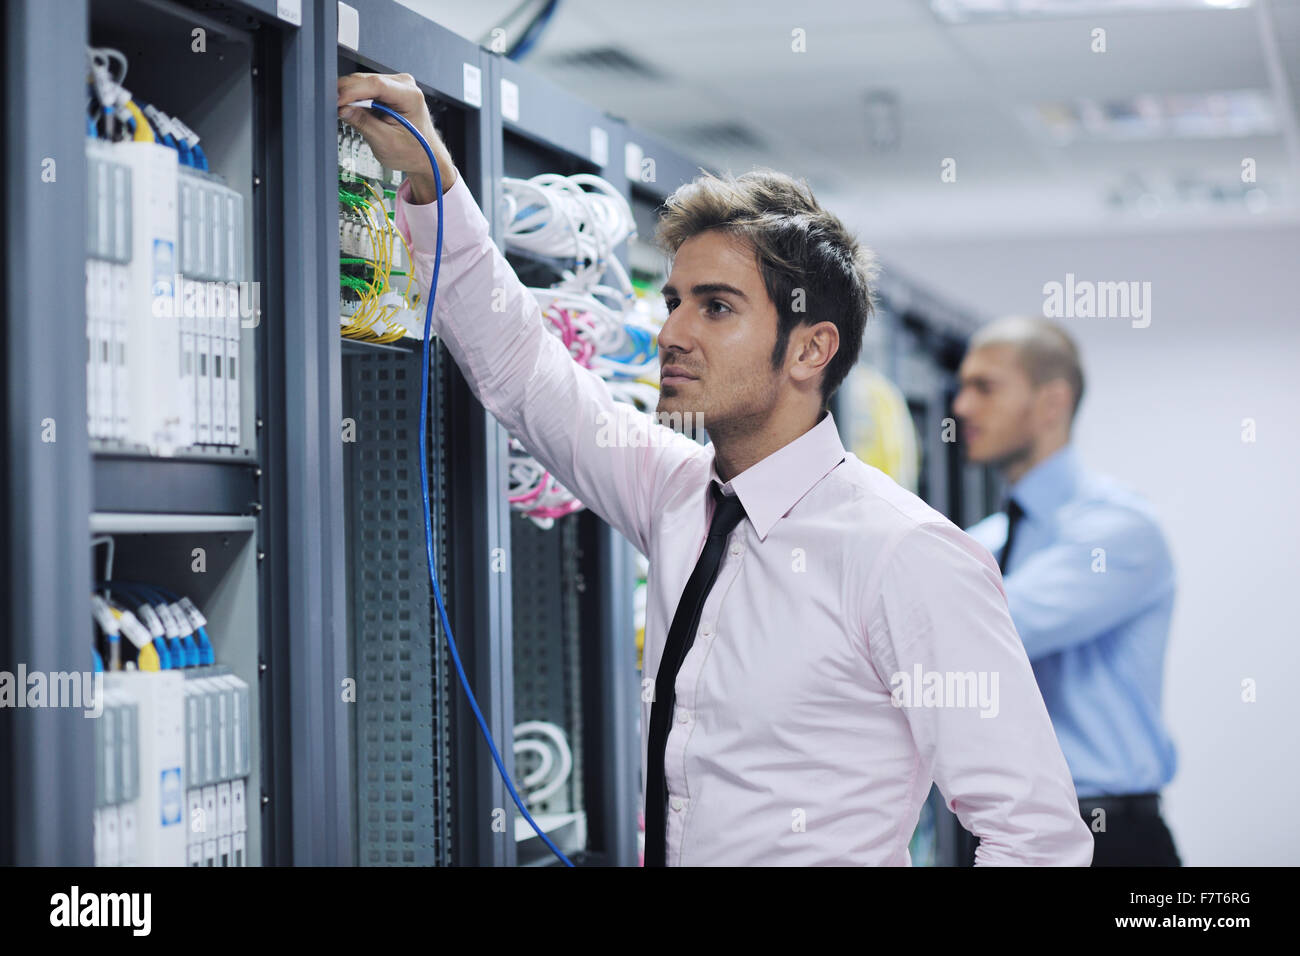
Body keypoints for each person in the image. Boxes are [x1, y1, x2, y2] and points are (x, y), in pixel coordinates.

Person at [338, 72, 1092, 866]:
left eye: (717, 306)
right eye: (674, 301)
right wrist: (430, 177)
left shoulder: (905, 554)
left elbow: (1033, 836)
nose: (673, 332)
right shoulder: (678, 496)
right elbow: (528, 376)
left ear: (811, 348)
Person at [953, 316, 1181, 867]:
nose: (960, 407)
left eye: (985, 387)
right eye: (963, 387)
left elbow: (985, 633)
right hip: (1002, 837)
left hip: (1109, 838)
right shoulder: (985, 541)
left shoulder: (1119, 530)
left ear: (1052, 401)